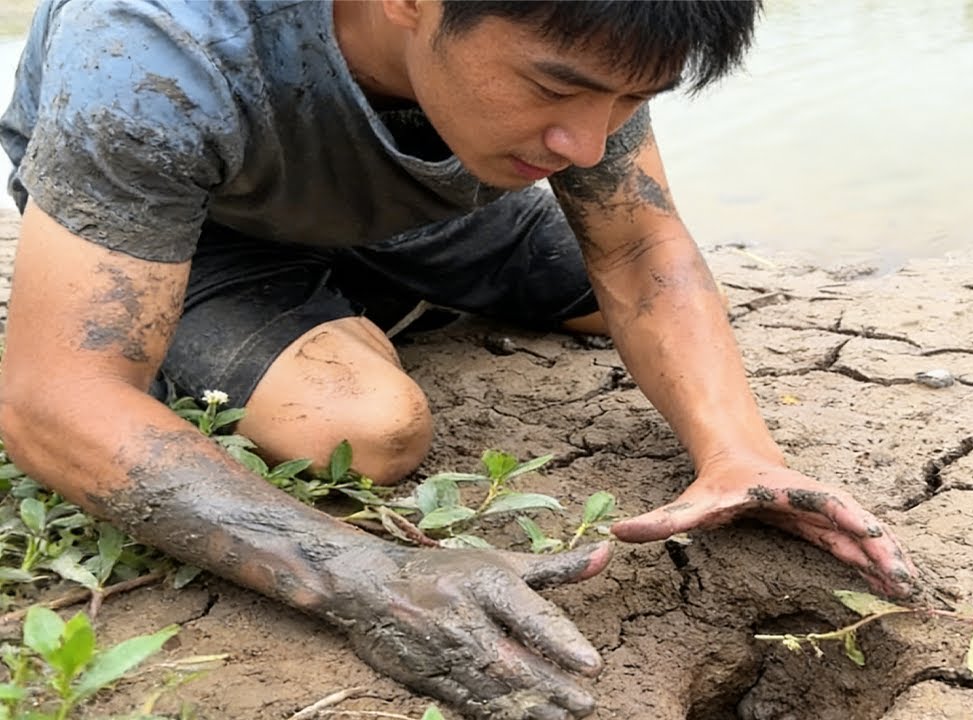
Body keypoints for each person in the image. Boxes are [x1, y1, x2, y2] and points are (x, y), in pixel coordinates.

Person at [0, 1, 917, 717]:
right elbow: (54, 396)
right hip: (202, 228)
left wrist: (740, 453)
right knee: (363, 428)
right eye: (555, 88)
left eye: (631, 98)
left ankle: (374, 292)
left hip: (416, 198)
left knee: (614, 301)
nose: (588, 144)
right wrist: (363, 578)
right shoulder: (150, 50)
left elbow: (639, 250)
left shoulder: (576, 53)